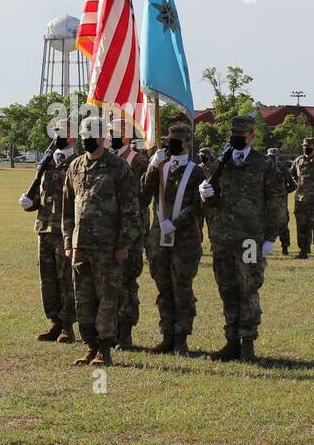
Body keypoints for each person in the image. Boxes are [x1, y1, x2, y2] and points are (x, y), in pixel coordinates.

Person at [197, 114, 286, 362]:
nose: (236, 139)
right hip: (222, 238)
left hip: (250, 239)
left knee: (248, 290)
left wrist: (270, 237)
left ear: (251, 136)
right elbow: (213, 203)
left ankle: (247, 344)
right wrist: (206, 195)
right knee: (227, 289)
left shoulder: (264, 165)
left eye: (241, 135)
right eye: (233, 135)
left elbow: (277, 201)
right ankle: (231, 341)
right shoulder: (220, 163)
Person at [61, 116, 142, 367]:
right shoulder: (74, 167)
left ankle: (104, 349)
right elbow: (67, 209)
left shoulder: (118, 167)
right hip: (80, 246)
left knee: (107, 299)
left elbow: (131, 209)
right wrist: (67, 241)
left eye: (91, 138)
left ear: (102, 138)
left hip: (108, 248)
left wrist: (123, 244)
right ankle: (90, 346)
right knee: (83, 299)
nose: (87, 142)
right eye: (84, 138)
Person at [141, 122, 205, 355]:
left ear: (188, 142)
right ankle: (166, 335)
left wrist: (175, 223)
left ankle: (181, 338)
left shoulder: (196, 171)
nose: (173, 143)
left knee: (182, 288)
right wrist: (151, 166)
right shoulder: (161, 167)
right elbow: (144, 195)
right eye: (170, 139)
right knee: (163, 287)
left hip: (185, 239)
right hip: (158, 238)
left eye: (179, 139)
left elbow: (198, 206)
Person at [18, 118, 77, 344]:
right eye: (55, 132)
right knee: (47, 279)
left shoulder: (77, 163)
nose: (57, 136)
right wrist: (28, 202)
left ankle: (67, 326)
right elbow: (40, 198)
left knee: (66, 280)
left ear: (71, 136)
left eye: (61, 132)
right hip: (44, 228)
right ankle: (54, 322)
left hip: (65, 231)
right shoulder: (46, 163)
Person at [109, 120, 149, 350]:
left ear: (126, 136)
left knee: (127, 282)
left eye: (115, 133)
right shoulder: (107, 159)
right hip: (108, 231)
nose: (111, 136)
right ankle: (109, 330)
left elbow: (143, 196)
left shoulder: (138, 161)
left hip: (131, 232)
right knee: (109, 282)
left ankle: (125, 333)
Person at [266, 147, 296, 255]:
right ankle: (265, 247)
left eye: (273, 157)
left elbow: (293, 185)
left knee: (282, 224)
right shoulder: (264, 168)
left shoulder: (283, 168)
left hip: (280, 203)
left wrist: (283, 193)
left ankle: (285, 247)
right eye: (270, 157)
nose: (271, 159)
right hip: (266, 202)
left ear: (278, 157)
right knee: (265, 225)